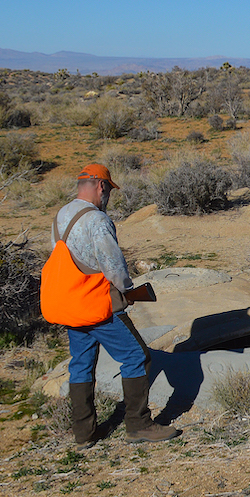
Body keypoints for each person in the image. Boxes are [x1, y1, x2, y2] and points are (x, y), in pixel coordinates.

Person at [53, 163, 179, 444]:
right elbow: (112, 265)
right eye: (108, 189)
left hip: (71, 304)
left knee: (81, 365)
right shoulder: (97, 220)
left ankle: (84, 433)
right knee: (136, 357)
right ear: (101, 187)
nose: (108, 196)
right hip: (98, 305)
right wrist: (126, 292)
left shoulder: (62, 215)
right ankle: (138, 424)